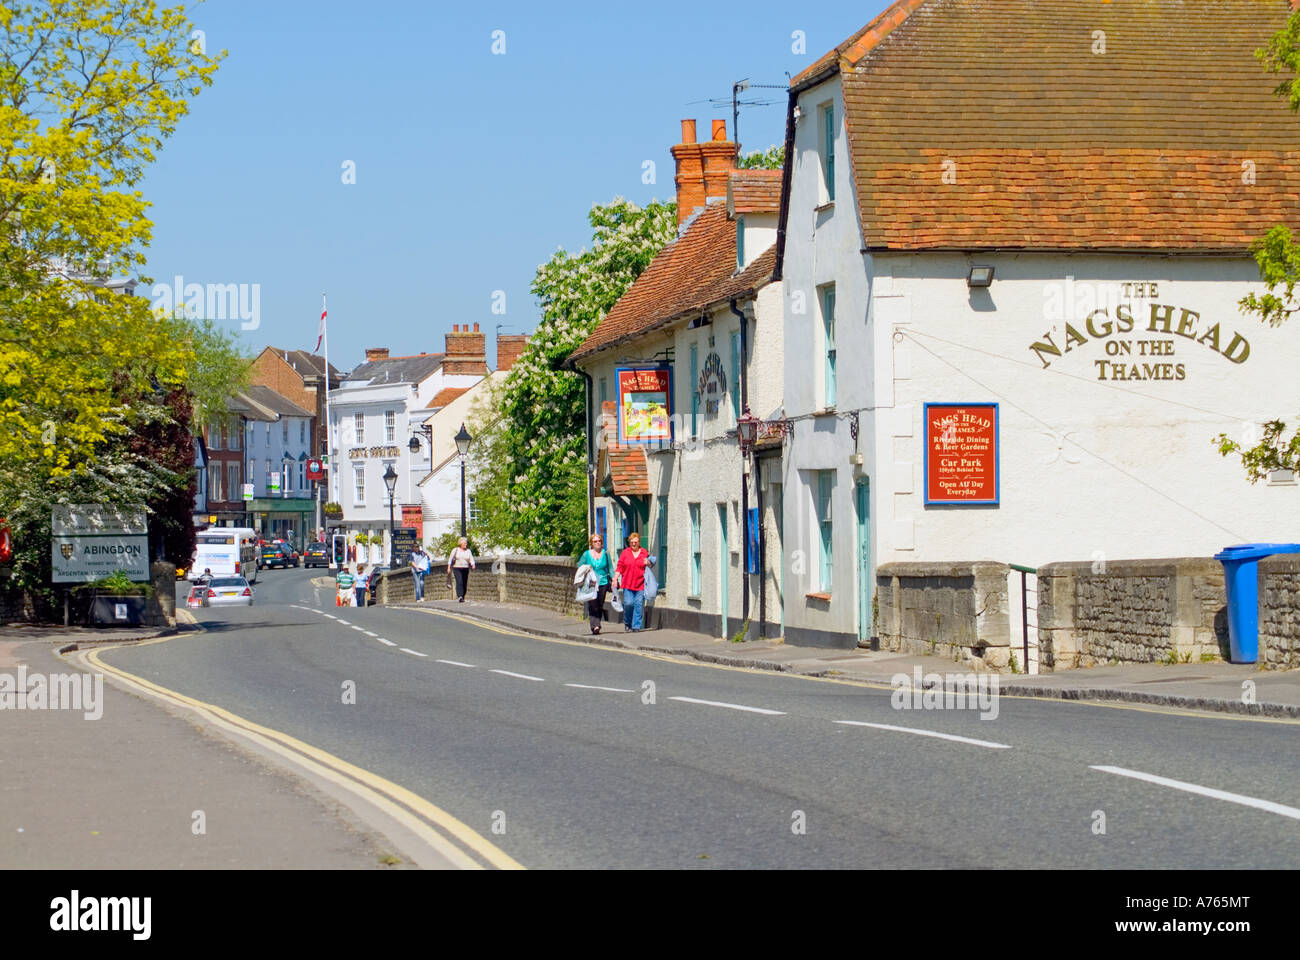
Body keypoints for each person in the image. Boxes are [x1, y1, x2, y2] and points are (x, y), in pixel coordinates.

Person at [577, 533, 614, 635]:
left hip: (603, 582)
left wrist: (614, 578)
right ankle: (595, 625)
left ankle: (596, 623)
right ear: (591, 543)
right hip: (591, 582)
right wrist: (586, 569)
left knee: (599, 604)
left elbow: (610, 568)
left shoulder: (606, 554)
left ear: (602, 543)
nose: (597, 543)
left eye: (599, 541)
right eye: (595, 541)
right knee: (592, 603)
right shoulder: (586, 554)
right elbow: (579, 566)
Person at [614, 532, 650, 632]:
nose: (633, 544)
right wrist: (615, 578)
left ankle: (636, 626)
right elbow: (620, 566)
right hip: (628, 583)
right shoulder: (625, 553)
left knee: (638, 604)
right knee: (629, 603)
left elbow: (650, 565)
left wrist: (649, 563)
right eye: (632, 542)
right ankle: (627, 622)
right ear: (629, 543)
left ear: (639, 542)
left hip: (640, 583)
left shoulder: (644, 552)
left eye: (636, 542)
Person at [448, 537, 475, 602]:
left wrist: (473, 564)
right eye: (464, 543)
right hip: (457, 568)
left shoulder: (468, 551)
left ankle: (463, 595)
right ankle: (460, 596)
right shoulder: (455, 550)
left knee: (464, 583)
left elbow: (471, 558)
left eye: (466, 543)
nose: (466, 544)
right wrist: (448, 567)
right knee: (459, 581)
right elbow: (450, 559)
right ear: (460, 543)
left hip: (465, 568)